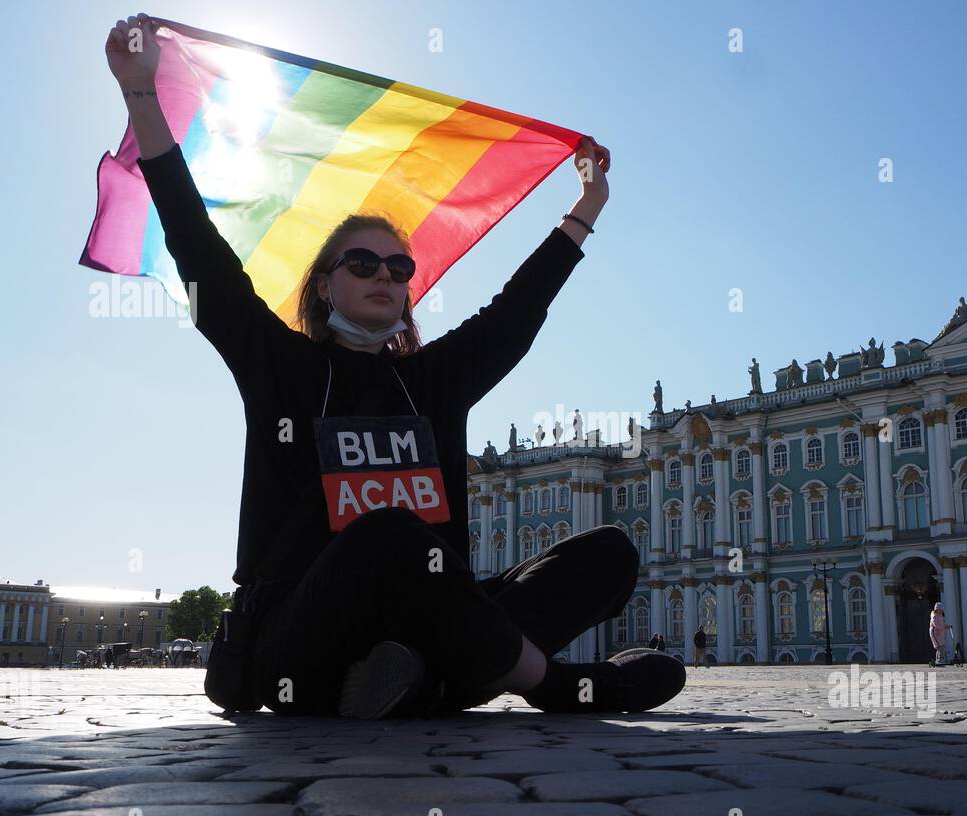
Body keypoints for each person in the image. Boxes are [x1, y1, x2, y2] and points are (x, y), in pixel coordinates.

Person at [106, 15, 685, 720]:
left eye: (399, 266)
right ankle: (553, 687)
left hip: (426, 627)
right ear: (324, 286)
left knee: (610, 554)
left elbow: (516, 310)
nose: (384, 275)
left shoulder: (431, 381)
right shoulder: (280, 366)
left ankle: (420, 686)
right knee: (383, 531)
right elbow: (201, 253)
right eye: (362, 263)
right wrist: (142, 97)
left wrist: (586, 206)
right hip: (298, 644)